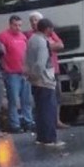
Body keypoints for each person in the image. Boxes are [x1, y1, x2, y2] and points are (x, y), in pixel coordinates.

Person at [25, 19, 63, 147]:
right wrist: (42, 77)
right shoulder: (42, 42)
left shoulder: (32, 39)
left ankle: (41, 137)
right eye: (51, 29)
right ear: (47, 29)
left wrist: (31, 75)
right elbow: (41, 63)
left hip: (35, 81)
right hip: (44, 81)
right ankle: (50, 139)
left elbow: (27, 59)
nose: (52, 31)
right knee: (49, 110)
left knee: (40, 110)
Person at [0, 15, 34, 133]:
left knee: (26, 100)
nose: (17, 28)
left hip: (24, 73)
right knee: (13, 100)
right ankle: (15, 124)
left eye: (19, 25)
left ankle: (28, 122)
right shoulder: (2, 37)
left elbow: (27, 53)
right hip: (11, 73)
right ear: (10, 25)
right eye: (15, 25)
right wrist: (4, 67)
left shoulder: (23, 37)